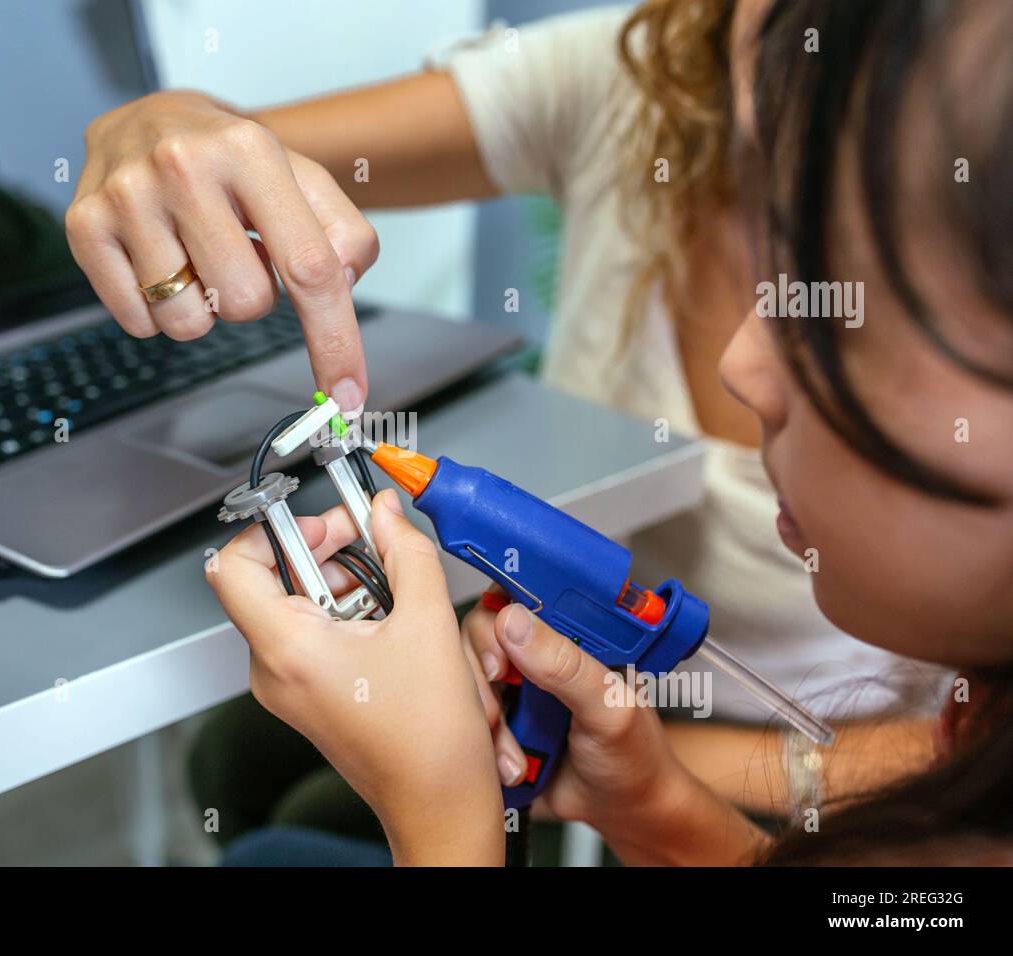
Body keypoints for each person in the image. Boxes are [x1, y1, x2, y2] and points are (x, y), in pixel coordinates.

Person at [70, 0, 937, 848]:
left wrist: (451, 795)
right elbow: (238, 151)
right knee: (240, 760)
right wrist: (157, 128)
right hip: (605, 715)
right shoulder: (640, 77)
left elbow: (967, 771)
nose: (745, 368)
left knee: (290, 843)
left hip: (800, 787)